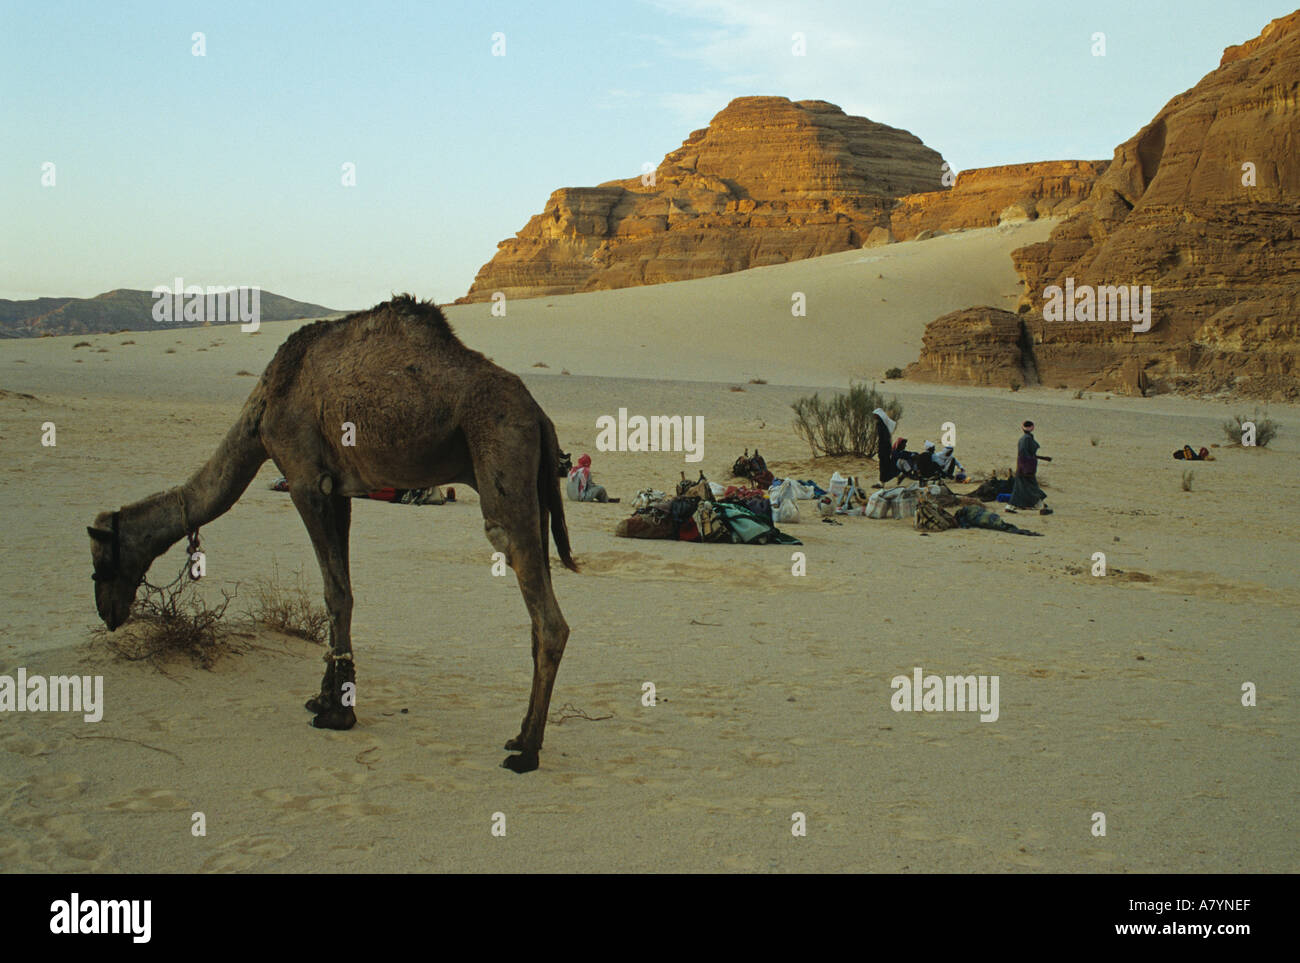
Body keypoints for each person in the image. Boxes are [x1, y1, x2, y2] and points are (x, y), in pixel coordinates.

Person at [1009, 420, 1053, 514]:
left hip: (1023, 467)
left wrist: (1043, 458)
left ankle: (1010, 507)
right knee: (1032, 486)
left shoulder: (1025, 439)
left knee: (1020, 488)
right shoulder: (1027, 439)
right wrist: (1027, 465)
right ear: (1032, 427)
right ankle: (1040, 506)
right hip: (1026, 468)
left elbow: (1026, 454)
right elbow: (1024, 454)